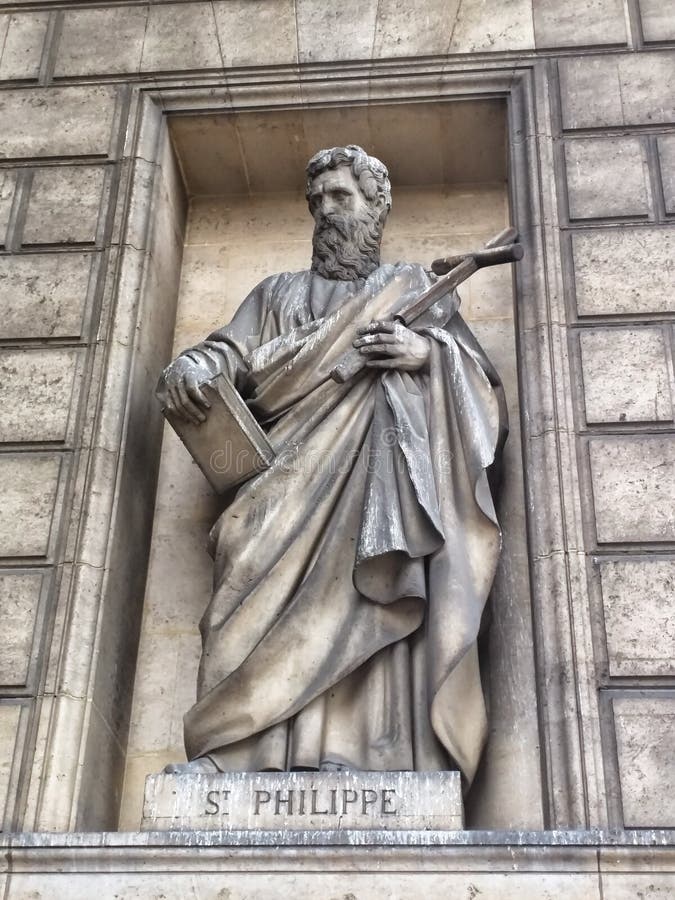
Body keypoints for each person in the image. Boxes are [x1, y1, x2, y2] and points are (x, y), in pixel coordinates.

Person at [157, 145, 507, 789]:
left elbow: (484, 401)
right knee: (247, 581)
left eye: (341, 198)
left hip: (372, 486)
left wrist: (424, 355)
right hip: (278, 490)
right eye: (317, 202)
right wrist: (193, 366)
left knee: (368, 588)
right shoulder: (276, 294)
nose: (327, 213)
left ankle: (364, 753)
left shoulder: (411, 289)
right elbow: (225, 353)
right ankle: (244, 753)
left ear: (377, 206)